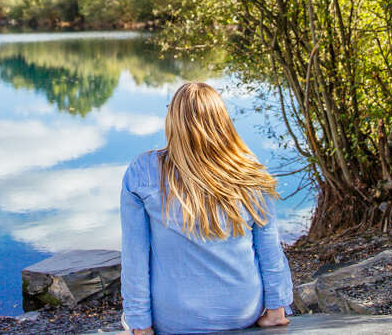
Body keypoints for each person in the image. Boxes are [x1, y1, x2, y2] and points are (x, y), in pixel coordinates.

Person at [119, 81, 293, 334]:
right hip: (242, 311)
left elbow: (135, 256)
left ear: (174, 120)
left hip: (175, 319)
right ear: (221, 120)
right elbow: (269, 247)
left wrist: (141, 326)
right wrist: (276, 311)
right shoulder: (248, 170)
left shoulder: (143, 170)